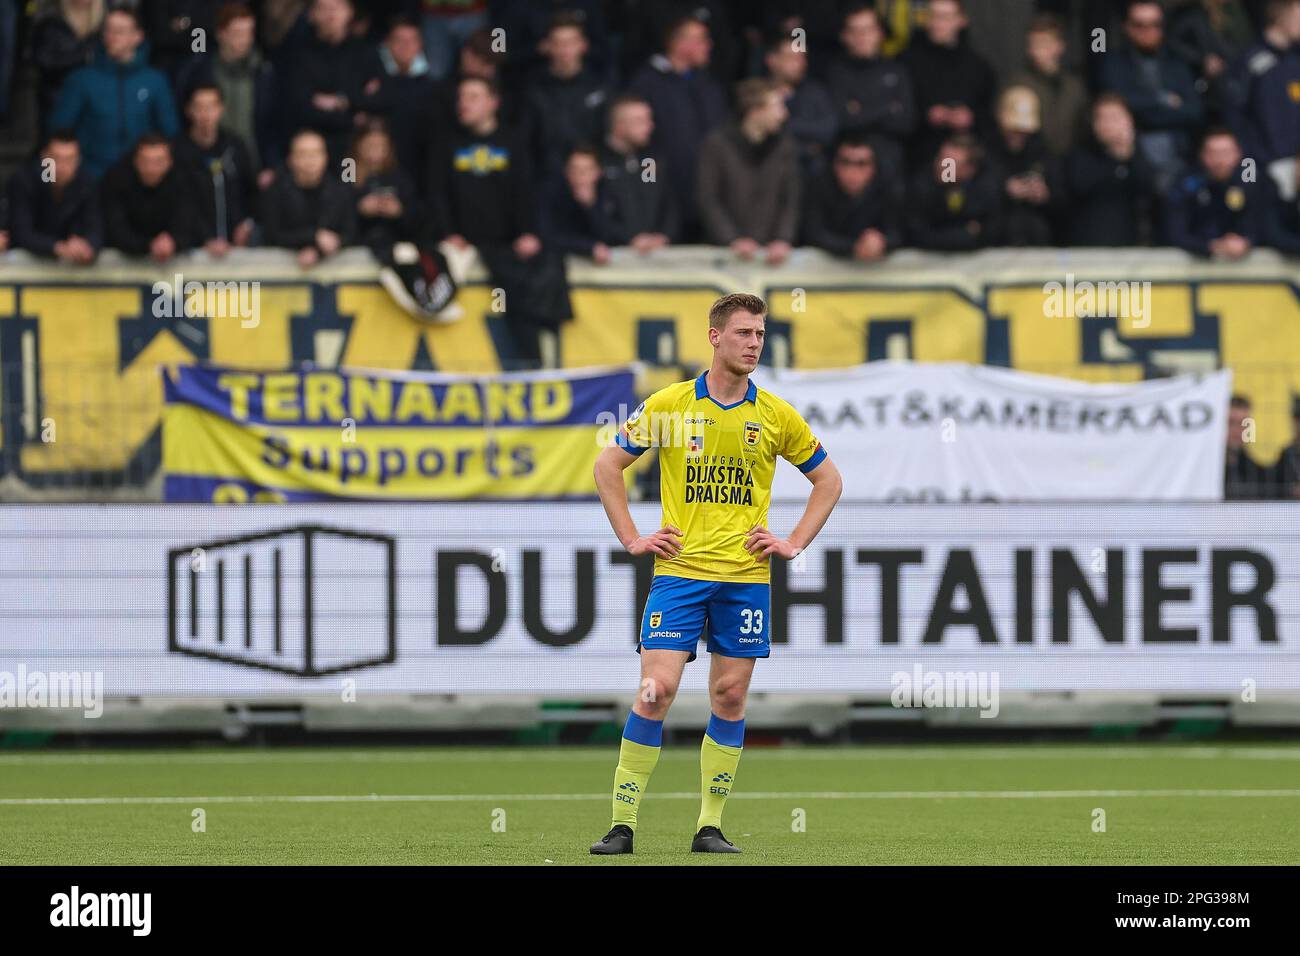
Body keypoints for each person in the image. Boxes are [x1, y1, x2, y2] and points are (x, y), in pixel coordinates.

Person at [589, 292, 842, 856]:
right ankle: (622, 826)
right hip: (679, 574)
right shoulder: (673, 405)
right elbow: (609, 465)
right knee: (656, 691)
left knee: (729, 696)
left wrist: (794, 542)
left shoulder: (774, 416)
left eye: (760, 334)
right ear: (714, 337)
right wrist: (632, 537)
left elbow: (829, 481)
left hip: (746, 579)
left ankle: (709, 826)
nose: (754, 343)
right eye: (744, 333)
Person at [428, 76, 570, 368]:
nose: (464, 103)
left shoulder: (513, 141)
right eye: (461, 97)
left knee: (525, 299)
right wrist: (447, 233)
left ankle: (532, 370)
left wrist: (528, 232)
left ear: (494, 102)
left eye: (473, 96)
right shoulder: (445, 143)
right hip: (461, 244)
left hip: (507, 244)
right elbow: (437, 193)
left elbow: (525, 191)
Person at [49, 7, 179, 177]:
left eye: (120, 31)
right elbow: (58, 131)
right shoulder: (81, 80)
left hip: (140, 180)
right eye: (109, 30)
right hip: (91, 178)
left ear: (137, 36)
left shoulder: (155, 81)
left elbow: (170, 132)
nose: (113, 36)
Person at [629, 14, 728, 237]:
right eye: (702, 39)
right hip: (664, 196)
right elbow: (643, 149)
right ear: (679, 43)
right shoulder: (647, 84)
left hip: (705, 193)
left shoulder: (709, 85)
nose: (709, 45)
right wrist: (650, 192)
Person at [1098, 0, 1204, 196]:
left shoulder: (1177, 61)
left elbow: (1194, 111)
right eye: (1139, 25)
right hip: (1134, 164)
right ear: (1127, 27)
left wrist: (1144, 108)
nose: (1148, 31)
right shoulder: (1114, 63)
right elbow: (1119, 106)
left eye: (1155, 25)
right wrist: (1162, 100)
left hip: (1181, 160)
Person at [696, 78, 800, 265]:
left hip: (772, 257)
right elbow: (708, 198)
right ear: (755, 111)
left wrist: (783, 239)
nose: (783, 115)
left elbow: (790, 198)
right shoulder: (717, 145)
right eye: (777, 107)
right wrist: (731, 239)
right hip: (725, 258)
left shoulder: (784, 148)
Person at [174, 2, 279, 173]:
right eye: (237, 33)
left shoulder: (263, 72)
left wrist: (270, 164)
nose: (244, 40)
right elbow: (184, 115)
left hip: (252, 165)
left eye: (248, 33)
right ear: (221, 34)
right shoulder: (201, 71)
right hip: (206, 165)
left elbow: (272, 124)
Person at [822, 4, 914, 187]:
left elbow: (907, 122)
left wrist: (860, 111)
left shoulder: (896, 71)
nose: (861, 37)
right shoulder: (835, 73)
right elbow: (841, 121)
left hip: (888, 159)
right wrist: (887, 108)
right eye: (854, 31)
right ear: (844, 36)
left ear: (879, 33)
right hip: (847, 159)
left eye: (867, 30)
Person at [900, 0, 996, 163]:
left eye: (944, 17)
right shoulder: (907, 62)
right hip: (921, 151)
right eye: (932, 16)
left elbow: (988, 114)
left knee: (953, 170)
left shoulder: (978, 66)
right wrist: (926, 115)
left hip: (967, 152)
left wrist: (970, 117)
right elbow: (898, 111)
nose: (937, 23)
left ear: (961, 20)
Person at [284, 0, 379, 162]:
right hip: (313, 147)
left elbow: (385, 98)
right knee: (313, 182)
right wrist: (353, 114)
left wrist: (341, 101)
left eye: (337, 7)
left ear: (350, 11)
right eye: (324, 8)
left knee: (350, 181)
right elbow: (300, 107)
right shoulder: (298, 55)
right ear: (312, 14)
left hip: (350, 150)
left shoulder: (365, 52)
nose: (331, 14)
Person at [1165, 127, 1280, 258]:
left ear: (1238, 154)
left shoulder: (1255, 183)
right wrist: (1210, 245)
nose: (1220, 160)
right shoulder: (1186, 185)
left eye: (1226, 153)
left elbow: (1269, 226)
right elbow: (1176, 232)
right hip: (1197, 265)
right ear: (1202, 155)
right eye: (1213, 153)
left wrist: (1247, 241)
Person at [171, 84, 256, 257]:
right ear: (188, 110)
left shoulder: (235, 146)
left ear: (221, 109)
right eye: (199, 107)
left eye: (211, 106)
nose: (205, 114)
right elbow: (175, 202)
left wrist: (247, 224)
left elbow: (252, 192)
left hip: (236, 249)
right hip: (190, 252)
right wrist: (203, 238)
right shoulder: (175, 151)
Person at [524, 12, 608, 179]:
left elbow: (608, 137)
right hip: (546, 177)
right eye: (558, 43)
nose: (564, 50)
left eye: (570, 42)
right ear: (547, 47)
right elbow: (526, 143)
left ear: (583, 45)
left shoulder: (601, 87)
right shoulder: (532, 90)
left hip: (592, 177)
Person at [1066, 94, 1158, 246]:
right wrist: (1116, 161)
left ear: (1129, 121)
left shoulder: (1137, 154)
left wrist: (1127, 154)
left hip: (1128, 245)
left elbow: (1149, 187)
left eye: (1115, 118)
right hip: (1086, 246)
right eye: (1101, 118)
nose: (1108, 124)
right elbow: (1081, 186)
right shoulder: (1081, 153)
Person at [261, 128, 356, 268]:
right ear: (291, 159)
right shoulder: (276, 192)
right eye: (303, 154)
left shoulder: (341, 192)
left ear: (325, 157)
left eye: (316, 153)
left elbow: (351, 233)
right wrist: (313, 236)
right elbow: (271, 235)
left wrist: (319, 251)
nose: (310, 160)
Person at [6, 129, 102, 262]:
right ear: (44, 158)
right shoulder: (24, 181)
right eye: (55, 159)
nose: (62, 167)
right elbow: (21, 233)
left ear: (78, 160)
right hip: (30, 261)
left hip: (73, 264)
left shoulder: (86, 183)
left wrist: (87, 246)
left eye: (69, 159)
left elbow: (96, 228)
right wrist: (57, 247)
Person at [599, 94, 680, 252]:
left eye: (648, 119)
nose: (649, 126)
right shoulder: (597, 161)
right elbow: (594, 212)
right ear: (619, 125)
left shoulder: (648, 162)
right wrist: (628, 237)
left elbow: (661, 202)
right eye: (640, 121)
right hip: (612, 255)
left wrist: (663, 235)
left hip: (651, 255)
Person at [802, 134, 901, 260]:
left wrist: (882, 242)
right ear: (835, 166)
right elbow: (814, 233)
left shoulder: (886, 187)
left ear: (873, 168)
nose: (852, 171)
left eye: (861, 163)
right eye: (845, 162)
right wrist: (853, 247)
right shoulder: (820, 186)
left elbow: (899, 232)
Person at [101, 133, 197, 261]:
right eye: (145, 161)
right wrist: (148, 244)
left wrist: (173, 241)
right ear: (135, 161)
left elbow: (189, 224)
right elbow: (115, 229)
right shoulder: (117, 180)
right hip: (125, 261)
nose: (151, 169)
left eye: (158, 162)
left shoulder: (183, 181)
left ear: (169, 162)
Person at [988, 85, 1062, 246]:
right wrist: (1004, 190)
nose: (1018, 135)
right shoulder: (985, 151)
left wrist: (1045, 195)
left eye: (1023, 131)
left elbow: (1064, 202)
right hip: (995, 240)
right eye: (1014, 130)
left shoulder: (1044, 153)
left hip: (1038, 239)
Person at [1007, 13, 1088, 158]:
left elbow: (1083, 131)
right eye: (1034, 44)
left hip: (1072, 164)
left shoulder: (1075, 87)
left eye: (1044, 43)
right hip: (1034, 163)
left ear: (1059, 46)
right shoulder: (1017, 85)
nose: (1039, 50)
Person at [906, 134, 1002, 251]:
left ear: (970, 170)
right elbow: (918, 235)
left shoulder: (985, 188)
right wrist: (965, 233)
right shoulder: (920, 186)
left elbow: (991, 233)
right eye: (941, 159)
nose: (943, 167)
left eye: (951, 164)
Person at [763, 30, 836, 177]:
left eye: (802, 57)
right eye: (792, 58)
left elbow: (828, 129)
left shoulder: (815, 92)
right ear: (772, 60)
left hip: (810, 175)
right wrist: (808, 147)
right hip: (769, 174)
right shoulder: (760, 93)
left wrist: (785, 125)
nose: (800, 64)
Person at [539, 145, 616, 263]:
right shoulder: (553, 193)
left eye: (586, 170)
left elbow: (614, 235)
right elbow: (549, 235)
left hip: (604, 264)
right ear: (566, 171)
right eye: (574, 169)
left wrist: (590, 208)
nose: (580, 176)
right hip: (560, 263)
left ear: (598, 172)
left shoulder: (609, 193)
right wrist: (588, 248)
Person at [1224, 394, 1275, 499]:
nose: (1237, 431)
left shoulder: (1260, 475)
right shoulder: (1205, 471)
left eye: (1244, 424)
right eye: (1231, 423)